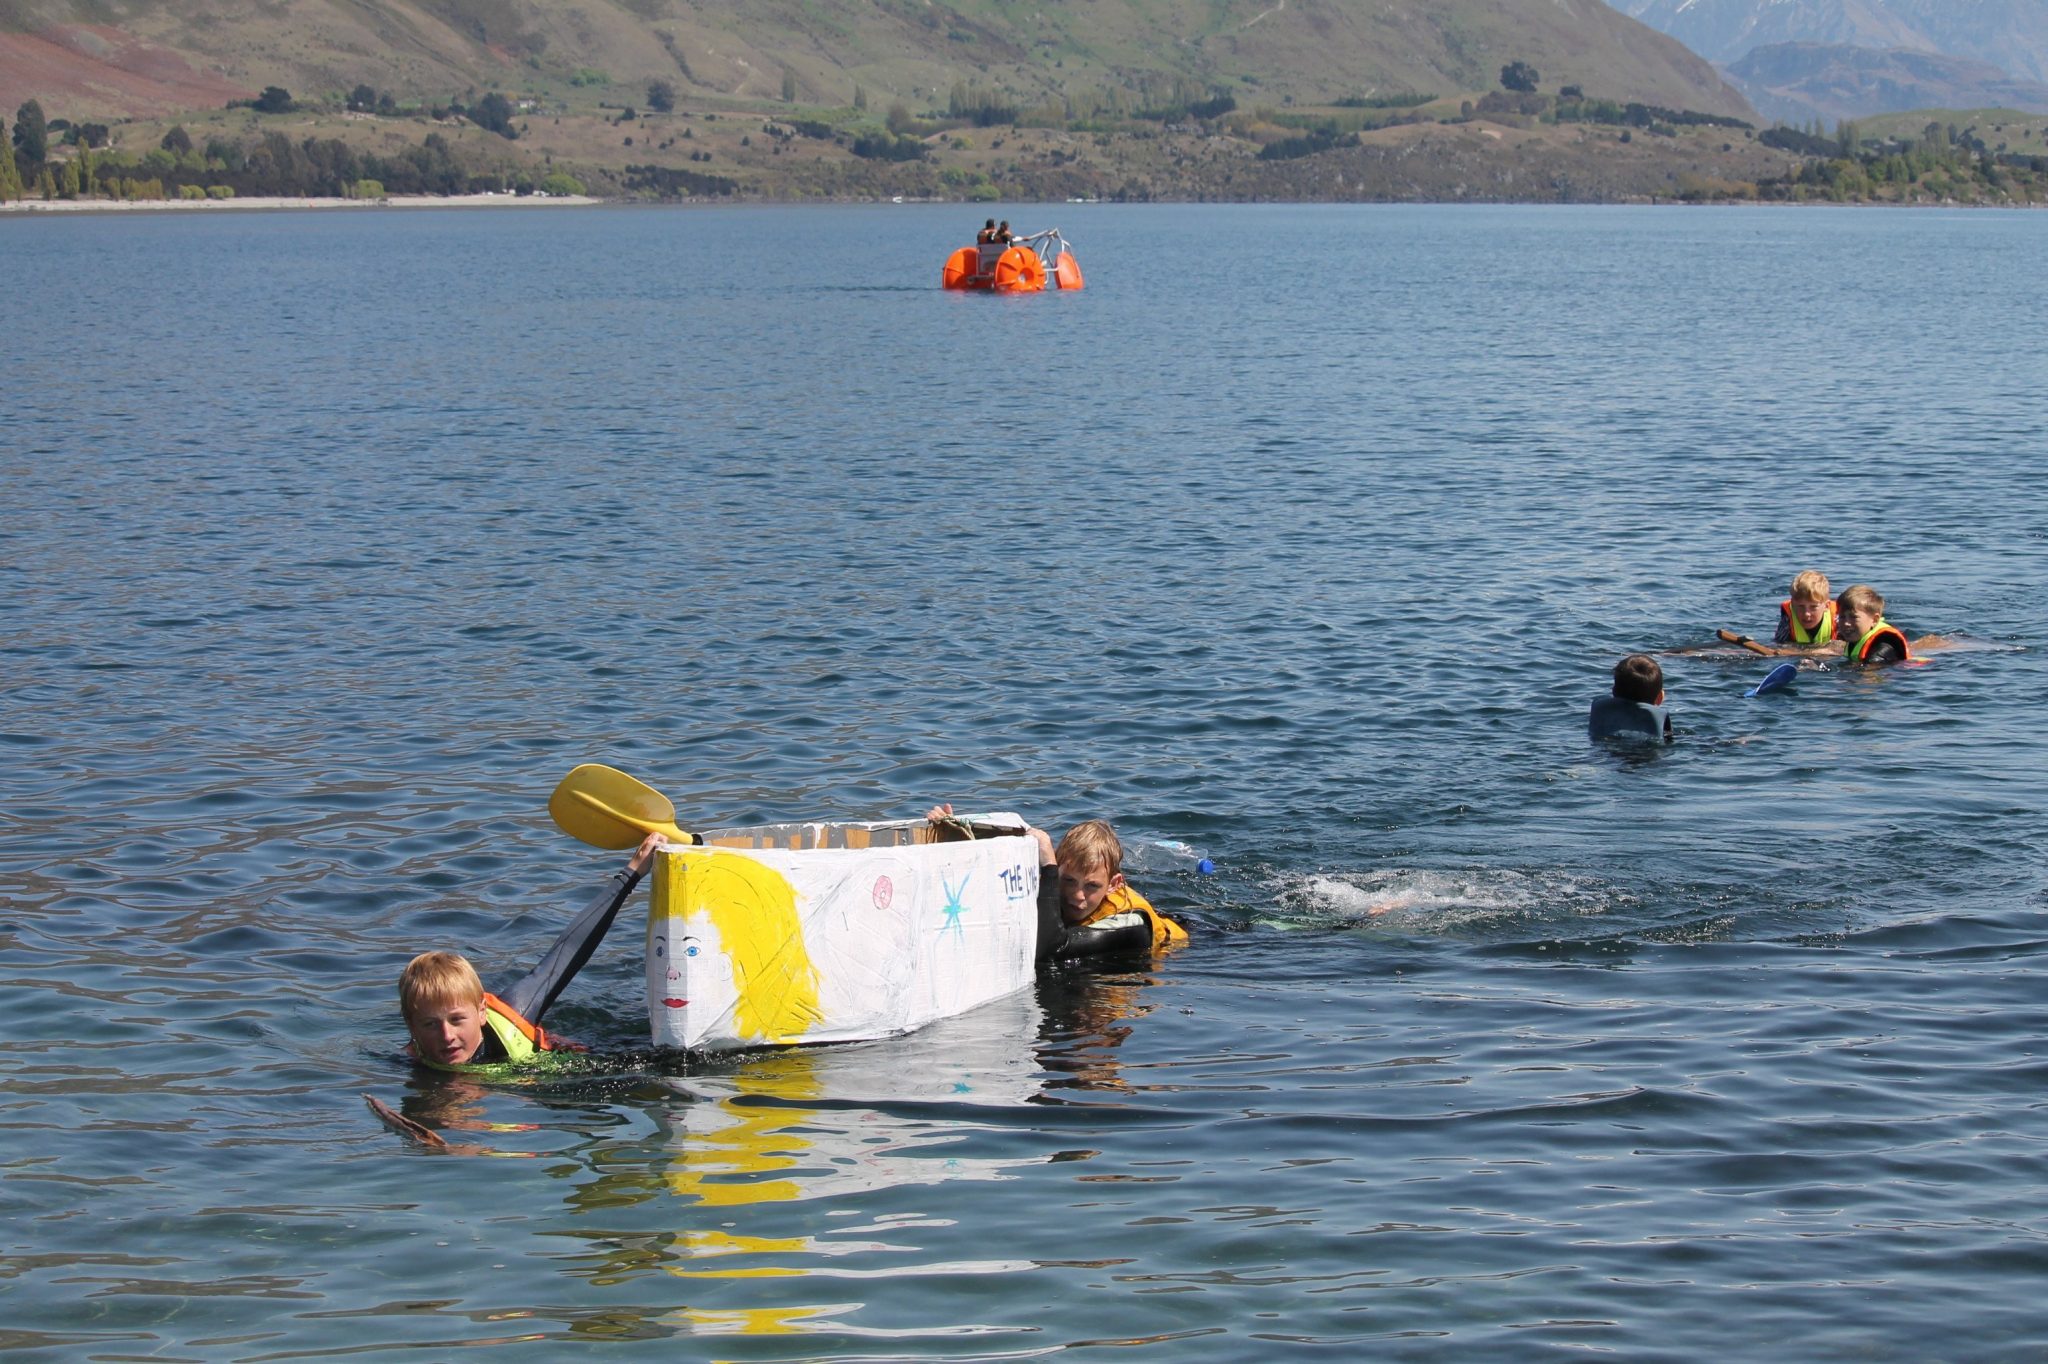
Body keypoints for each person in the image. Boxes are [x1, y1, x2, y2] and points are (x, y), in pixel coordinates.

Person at [398, 831, 666, 1071]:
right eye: (430, 1025)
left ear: (481, 1012)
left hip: (576, 1062)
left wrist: (631, 873)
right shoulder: (408, 1063)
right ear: (411, 1026)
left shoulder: (516, 1009)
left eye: (457, 1019)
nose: (446, 1036)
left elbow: (568, 951)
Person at [926, 806, 1187, 959]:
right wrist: (952, 837)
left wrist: (1050, 869)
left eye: (1091, 886)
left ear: (1114, 884)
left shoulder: (1131, 927)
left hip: (1189, 947)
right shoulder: (1062, 886)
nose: (1077, 895)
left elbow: (1054, 947)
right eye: (1069, 880)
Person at [1587, 653, 1672, 743]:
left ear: (1613, 691)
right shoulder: (1658, 721)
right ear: (1660, 698)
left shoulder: (1602, 711)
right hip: (1646, 753)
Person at [1835, 584, 1911, 665]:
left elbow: (1870, 673)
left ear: (1875, 620)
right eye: (1842, 617)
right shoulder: (1853, 635)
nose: (1846, 623)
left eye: (1854, 617)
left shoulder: (1883, 645)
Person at [1774, 570, 1838, 647]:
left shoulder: (1838, 618)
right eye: (1801, 606)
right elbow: (1780, 646)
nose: (1806, 613)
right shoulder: (1788, 617)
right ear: (1793, 604)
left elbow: (1842, 647)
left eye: (1813, 607)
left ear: (1826, 606)